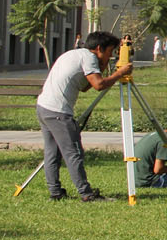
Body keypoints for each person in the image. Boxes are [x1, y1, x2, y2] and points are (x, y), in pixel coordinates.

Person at [36, 31, 132, 202]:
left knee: (52, 152)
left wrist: (103, 67)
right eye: (110, 51)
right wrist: (119, 73)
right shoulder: (89, 58)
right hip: (58, 112)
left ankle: (55, 192)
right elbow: (98, 85)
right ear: (99, 48)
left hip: (44, 107)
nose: (111, 56)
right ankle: (86, 194)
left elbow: (85, 87)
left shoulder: (75, 54)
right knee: (73, 153)